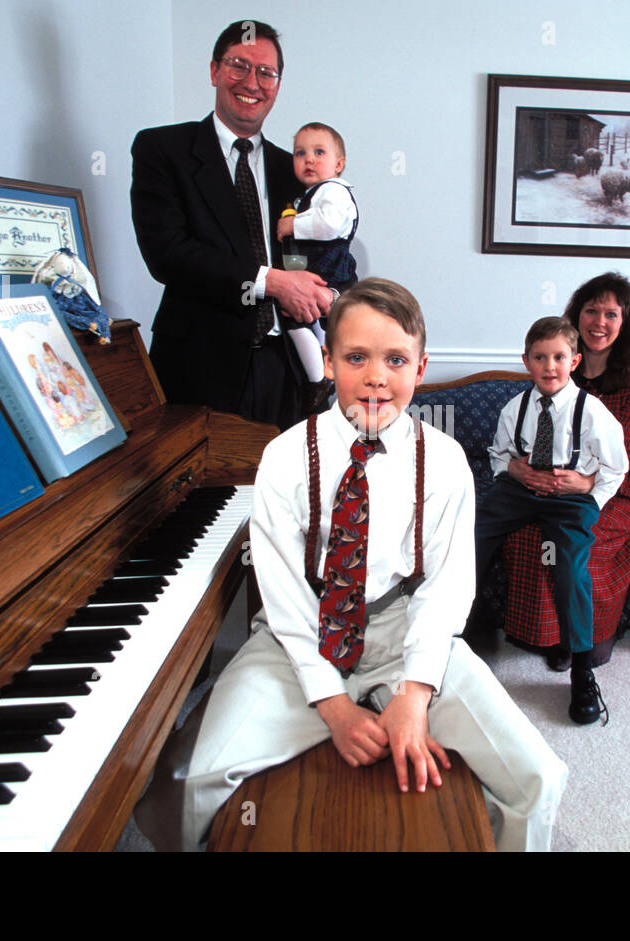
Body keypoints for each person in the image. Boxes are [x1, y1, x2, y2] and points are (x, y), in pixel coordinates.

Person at [134, 278, 567, 852]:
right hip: (299, 635)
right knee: (189, 780)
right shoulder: (286, 455)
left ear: (420, 366)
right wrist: (333, 706)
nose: (376, 377)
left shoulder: (443, 460)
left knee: (538, 777)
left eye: (396, 359)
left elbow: (446, 586)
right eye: (356, 357)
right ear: (330, 361)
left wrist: (414, 697)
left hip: (403, 628)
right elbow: (282, 589)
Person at [130, 20, 333, 430]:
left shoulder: (292, 170)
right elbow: (167, 255)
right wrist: (270, 282)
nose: (252, 82)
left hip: (285, 370)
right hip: (198, 369)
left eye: (266, 73)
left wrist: (318, 289)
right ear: (214, 71)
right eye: (239, 65)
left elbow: (305, 251)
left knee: (283, 491)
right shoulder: (162, 149)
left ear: (277, 84)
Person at [476, 317, 628, 726]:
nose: (549, 366)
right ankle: (455, 631)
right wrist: (515, 471)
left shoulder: (592, 412)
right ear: (526, 361)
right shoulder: (516, 407)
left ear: (575, 360)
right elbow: (498, 454)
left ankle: (582, 670)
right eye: (539, 357)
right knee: (470, 536)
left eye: (559, 357)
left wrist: (588, 486)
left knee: (570, 568)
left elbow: (618, 466)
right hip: (521, 490)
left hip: (569, 498)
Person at [497, 273, 630, 666]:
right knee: (531, 537)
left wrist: (587, 484)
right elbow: (524, 435)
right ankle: (549, 635)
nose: (600, 322)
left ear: (625, 321)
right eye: (591, 311)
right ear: (577, 316)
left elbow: (628, 449)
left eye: (611, 314)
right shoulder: (556, 362)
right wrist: (524, 471)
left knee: (585, 543)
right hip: (547, 481)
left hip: (609, 484)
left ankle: (592, 633)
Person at [275, 122, 359, 413]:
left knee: (292, 320)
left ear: (339, 164)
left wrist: (292, 224)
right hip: (317, 271)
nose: (308, 159)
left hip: (329, 271)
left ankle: (318, 379)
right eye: (300, 153)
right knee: (317, 325)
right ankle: (325, 372)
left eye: (319, 152)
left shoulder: (332, 191)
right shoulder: (313, 193)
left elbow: (329, 224)